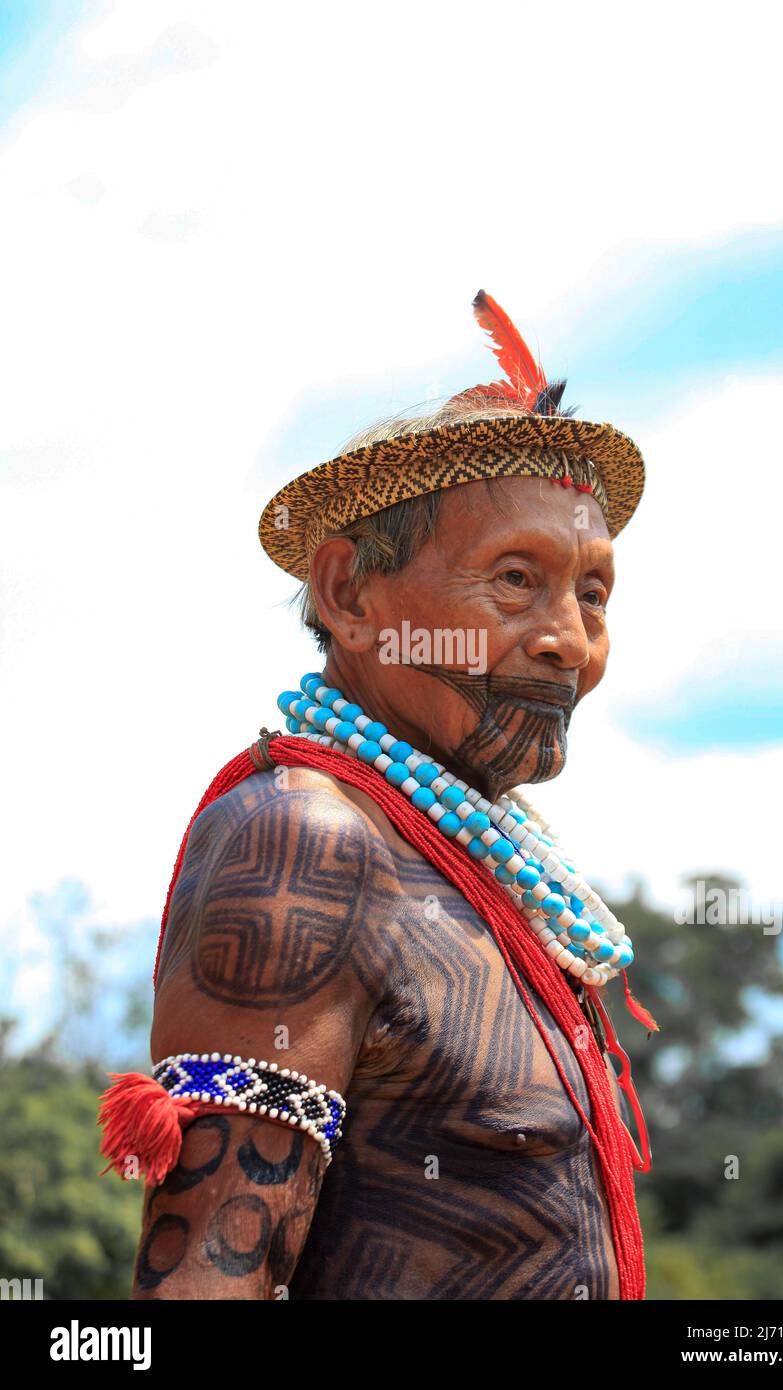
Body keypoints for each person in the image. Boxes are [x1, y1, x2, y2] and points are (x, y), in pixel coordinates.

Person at [101, 290, 655, 1300]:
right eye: (514, 578)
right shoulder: (303, 841)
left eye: (589, 593)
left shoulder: (471, 870)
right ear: (350, 595)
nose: (567, 642)